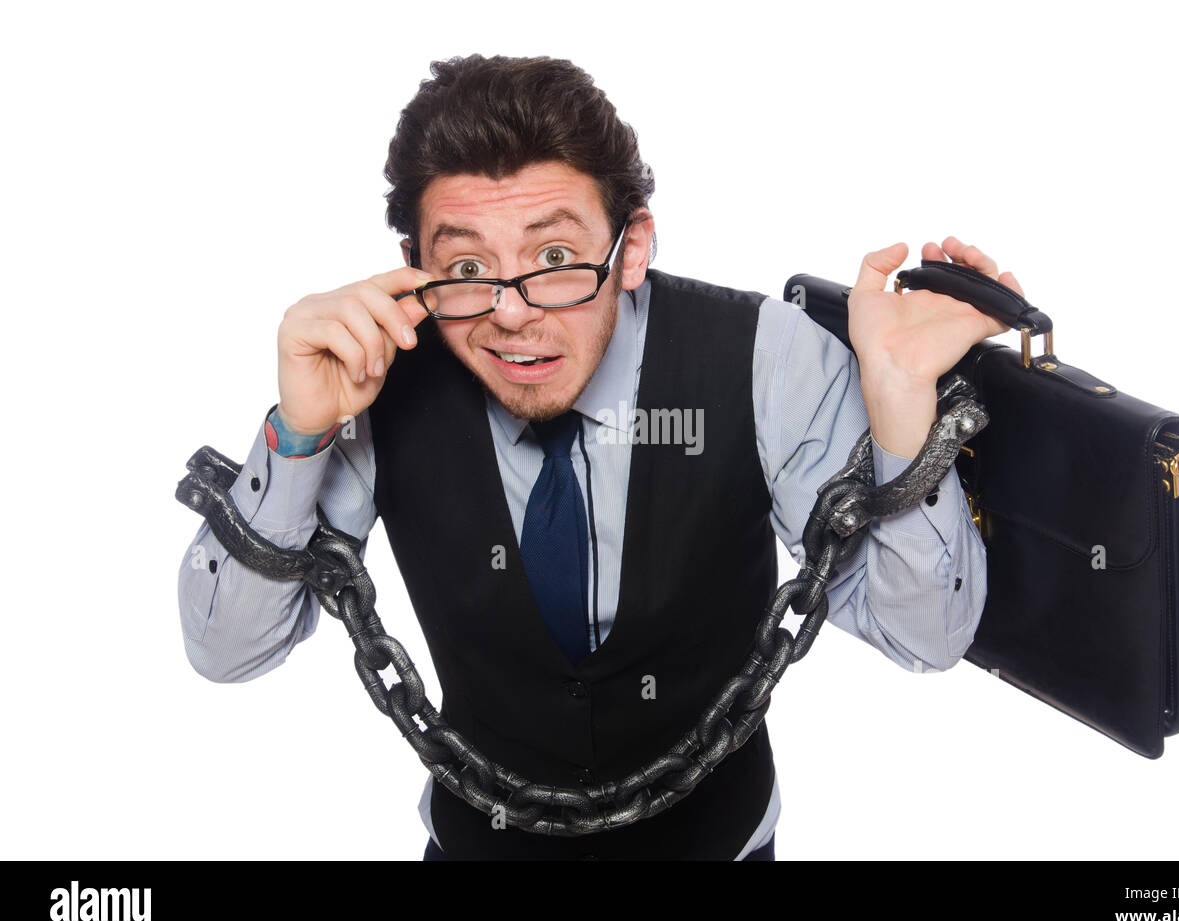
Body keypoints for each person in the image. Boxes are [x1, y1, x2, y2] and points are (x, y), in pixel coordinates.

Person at [178, 53, 1022, 860]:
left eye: (554, 257)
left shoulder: (765, 356)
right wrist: (298, 433)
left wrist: (903, 404)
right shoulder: (377, 379)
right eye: (468, 266)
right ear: (414, 272)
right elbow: (229, 650)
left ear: (634, 247)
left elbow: (929, 636)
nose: (512, 314)